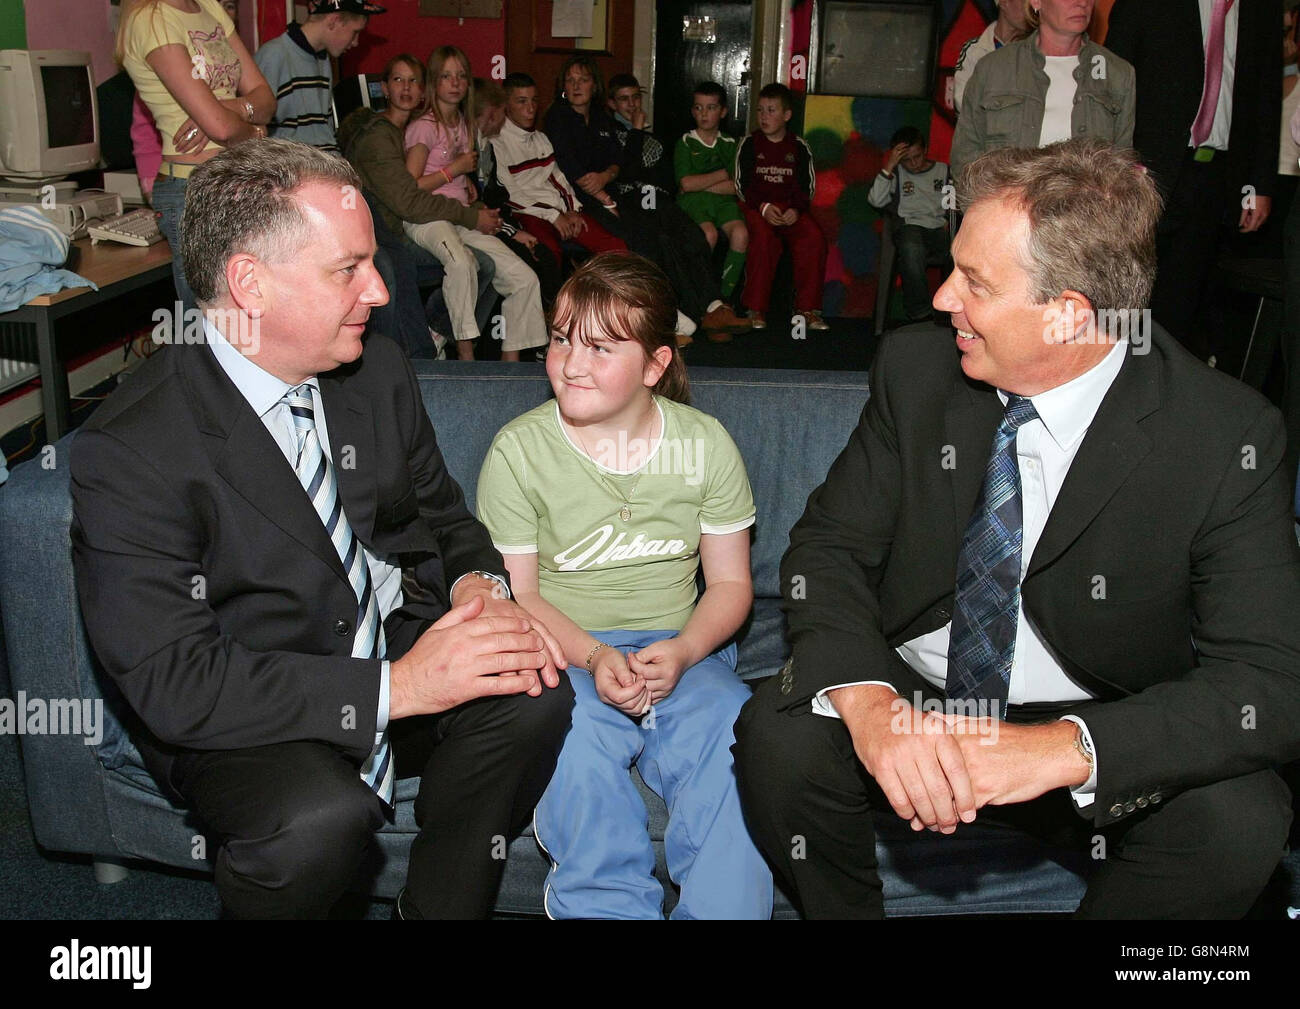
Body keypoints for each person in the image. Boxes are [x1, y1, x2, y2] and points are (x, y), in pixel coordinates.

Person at [732, 138, 1300, 920]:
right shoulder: (918, 370)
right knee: (779, 735)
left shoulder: (1224, 436)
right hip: (917, 700)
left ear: (1068, 315)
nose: (941, 300)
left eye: (975, 282)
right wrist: (871, 708)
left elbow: (1271, 684)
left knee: (1240, 816)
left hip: (1088, 719)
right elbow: (827, 552)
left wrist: (1056, 750)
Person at [69, 138, 574, 920]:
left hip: (384, 635)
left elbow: (439, 511)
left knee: (531, 687)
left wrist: (482, 587)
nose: (379, 290)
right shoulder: (133, 447)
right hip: (254, 702)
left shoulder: (374, 368)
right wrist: (399, 687)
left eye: (374, 261)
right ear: (249, 284)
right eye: (348, 268)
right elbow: (176, 681)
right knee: (314, 823)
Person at [476, 252, 773, 919]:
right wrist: (595, 657)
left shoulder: (705, 444)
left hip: (682, 645)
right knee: (573, 745)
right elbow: (521, 595)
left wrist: (688, 650)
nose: (570, 363)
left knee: (735, 740)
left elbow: (729, 583)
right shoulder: (518, 451)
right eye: (560, 338)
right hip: (564, 648)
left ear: (655, 364)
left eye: (601, 347)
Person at [1107, 0, 1281, 362]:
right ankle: (1116, 376)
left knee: (1185, 301)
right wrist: (1113, 167)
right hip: (1144, 172)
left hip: (1218, 174)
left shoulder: (1261, 9)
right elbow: (1113, 79)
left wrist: (1259, 185)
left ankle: (1167, 381)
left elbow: (1265, 96)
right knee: (1128, 288)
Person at [115, 0, 275, 308]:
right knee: (210, 324)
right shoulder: (151, 20)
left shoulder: (208, 7)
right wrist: (253, 131)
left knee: (252, 314)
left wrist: (229, 108)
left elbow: (266, 100)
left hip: (239, 181)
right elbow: (221, 129)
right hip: (192, 190)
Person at [338, 54, 497, 359]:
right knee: (453, 265)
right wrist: (468, 215)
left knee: (485, 266)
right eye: (398, 80)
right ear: (384, 89)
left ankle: (435, 332)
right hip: (385, 235)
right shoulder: (377, 137)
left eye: (414, 81)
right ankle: (421, 349)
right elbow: (408, 201)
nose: (406, 88)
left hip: (407, 227)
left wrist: (467, 191)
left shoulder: (411, 131)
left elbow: (427, 187)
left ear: (424, 91)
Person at [402, 47, 547, 362]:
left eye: (461, 76)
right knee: (463, 264)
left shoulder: (464, 124)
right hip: (427, 216)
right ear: (433, 83)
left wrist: (469, 190)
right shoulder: (425, 126)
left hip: (462, 216)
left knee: (523, 279)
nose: (454, 83)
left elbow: (461, 184)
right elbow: (410, 186)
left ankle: (511, 366)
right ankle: (465, 359)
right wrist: (453, 171)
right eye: (446, 76)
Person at [601, 72, 750, 342]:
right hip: (631, 199)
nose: (632, 105)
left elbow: (669, 179)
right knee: (662, 241)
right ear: (612, 104)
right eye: (624, 100)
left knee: (694, 236)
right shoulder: (609, 135)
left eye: (636, 98)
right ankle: (689, 315)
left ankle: (715, 308)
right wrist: (635, 130)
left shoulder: (656, 138)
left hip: (660, 198)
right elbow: (627, 171)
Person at [950, 0, 1134, 183]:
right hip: (1009, 207)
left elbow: (1121, 168)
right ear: (1037, 2)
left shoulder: (1118, 74)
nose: (1082, 3)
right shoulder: (993, 69)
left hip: (1085, 210)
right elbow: (965, 162)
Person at [482, 73, 626, 268]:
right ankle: (561, 297)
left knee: (616, 247)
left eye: (534, 100)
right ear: (506, 104)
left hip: (559, 210)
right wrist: (553, 215)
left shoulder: (541, 138)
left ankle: (616, 297)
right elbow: (510, 194)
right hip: (527, 212)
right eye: (522, 102)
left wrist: (573, 210)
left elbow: (559, 179)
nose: (531, 108)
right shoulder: (496, 142)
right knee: (549, 255)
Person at [735, 82, 829, 332]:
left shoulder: (799, 146)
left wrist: (795, 210)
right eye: (760, 110)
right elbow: (742, 186)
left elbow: (806, 187)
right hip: (757, 207)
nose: (764, 117)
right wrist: (764, 208)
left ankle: (807, 310)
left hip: (789, 209)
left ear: (787, 115)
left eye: (771, 110)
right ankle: (755, 308)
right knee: (763, 239)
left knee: (814, 238)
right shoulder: (749, 144)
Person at [473, 76, 562, 308]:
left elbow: (495, 199)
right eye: (503, 112)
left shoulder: (485, 146)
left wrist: (511, 229)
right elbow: (487, 203)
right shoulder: (476, 148)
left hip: (498, 222)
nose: (505, 120)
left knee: (543, 257)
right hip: (481, 225)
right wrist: (512, 231)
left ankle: (544, 331)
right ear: (491, 114)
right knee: (531, 267)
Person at [254, 0, 384, 154]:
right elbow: (255, 132)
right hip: (293, 165)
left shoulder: (322, 59)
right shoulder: (274, 55)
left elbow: (323, 129)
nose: (355, 42)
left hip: (322, 163)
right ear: (334, 21)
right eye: (355, 32)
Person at [673, 82, 751, 319]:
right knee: (709, 234)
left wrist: (703, 182)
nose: (704, 114)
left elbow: (736, 187)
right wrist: (721, 174)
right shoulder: (686, 142)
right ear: (692, 111)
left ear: (723, 112)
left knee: (741, 234)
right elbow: (686, 184)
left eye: (711, 107)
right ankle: (700, 299)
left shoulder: (730, 144)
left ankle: (723, 301)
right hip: (693, 202)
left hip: (722, 203)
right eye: (698, 108)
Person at [868, 126, 952, 323]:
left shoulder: (943, 171)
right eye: (906, 159)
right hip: (910, 227)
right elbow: (875, 201)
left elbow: (956, 203)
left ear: (925, 150)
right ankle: (920, 313)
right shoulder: (896, 174)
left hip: (939, 228)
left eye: (917, 156)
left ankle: (949, 312)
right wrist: (890, 165)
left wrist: (950, 221)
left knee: (959, 249)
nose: (913, 163)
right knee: (911, 246)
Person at [953, 0, 1032, 113]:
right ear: (1004, 3)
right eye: (1026, 2)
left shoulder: (1038, 51)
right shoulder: (975, 50)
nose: (1033, 8)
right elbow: (963, 103)